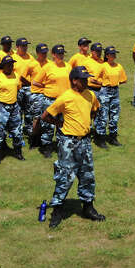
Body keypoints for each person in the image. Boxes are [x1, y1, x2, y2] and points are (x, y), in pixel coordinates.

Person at [41, 66, 105, 226]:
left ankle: (88, 207)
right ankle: (57, 210)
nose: (86, 81)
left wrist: (87, 122)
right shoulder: (65, 97)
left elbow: (96, 109)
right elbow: (46, 115)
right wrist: (59, 123)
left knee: (87, 175)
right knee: (65, 176)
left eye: (87, 78)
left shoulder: (90, 95)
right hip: (68, 143)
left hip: (85, 142)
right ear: (74, 80)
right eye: (83, 79)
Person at [31, 45, 72, 156]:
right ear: (53, 54)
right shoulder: (47, 67)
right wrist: (46, 86)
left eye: (62, 53)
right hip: (50, 100)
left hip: (64, 101)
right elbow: (35, 82)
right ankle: (47, 147)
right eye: (58, 54)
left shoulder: (68, 66)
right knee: (48, 125)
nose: (61, 56)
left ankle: (61, 146)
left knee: (62, 124)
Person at [0, 56, 25, 163]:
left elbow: (18, 88)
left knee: (17, 132)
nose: (11, 66)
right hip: (1, 107)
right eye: (8, 64)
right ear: (3, 66)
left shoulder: (16, 76)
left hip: (14, 107)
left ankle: (18, 152)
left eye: (12, 64)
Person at [96, 46, 128, 147]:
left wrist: (115, 83)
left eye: (115, 54)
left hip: (115, 92)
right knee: (103, 116)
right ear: (107, 55)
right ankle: (100, 139)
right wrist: (104, 82)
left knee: (114, 116)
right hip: (105, 91)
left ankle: (113, 138)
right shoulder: (103, 66)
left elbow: (123, 79)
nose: (114, 55)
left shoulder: (119, 66)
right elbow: (95, 79)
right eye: (112, 54)